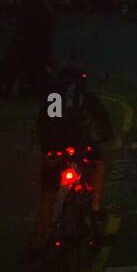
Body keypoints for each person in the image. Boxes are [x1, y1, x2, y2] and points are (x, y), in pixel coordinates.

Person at [31, 66, 114, 252]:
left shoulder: (53, 98)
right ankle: (95, 204)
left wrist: (48, 150)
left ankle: (38, 239)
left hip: (55, 149)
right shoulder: (85, 97)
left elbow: (43, 123)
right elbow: (102, 121)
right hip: (80, 146)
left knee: (47, 197)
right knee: (98, 164)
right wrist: (105, 137)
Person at [0, 0, 54, 99]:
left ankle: (13, 90)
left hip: (29, 46)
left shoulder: (35, 8)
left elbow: (25, 28)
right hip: (32, 46)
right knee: (21, 69)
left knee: (18, 69)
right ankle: (18, 90)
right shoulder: (41, 8)